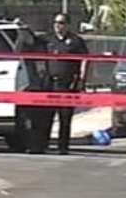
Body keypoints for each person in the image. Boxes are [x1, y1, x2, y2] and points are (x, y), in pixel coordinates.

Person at [42, 13, 90, 155]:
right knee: (47, 116)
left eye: (61, 22)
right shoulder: (49, 39)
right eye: (56, 22)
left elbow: (85, 59)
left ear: (67, 25)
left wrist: (82, 80)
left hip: (67, 84)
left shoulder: (75, 41)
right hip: (51, 83)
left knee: (65, 116)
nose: (58, 25)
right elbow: (31, 42)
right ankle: (44, 145)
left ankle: (63, 147)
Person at [13, 19, 49, 154]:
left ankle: (38, 145)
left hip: (37, 87)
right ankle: (29, 144)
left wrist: (24, 29)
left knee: (37, 118)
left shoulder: (40, 46)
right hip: (23, 87)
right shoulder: (19, 46)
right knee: (26, 118)